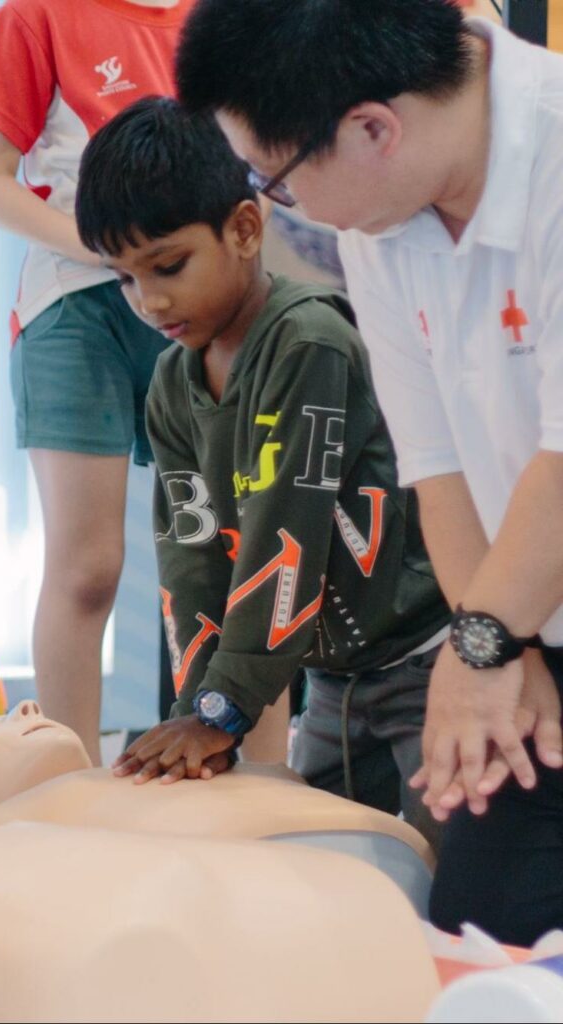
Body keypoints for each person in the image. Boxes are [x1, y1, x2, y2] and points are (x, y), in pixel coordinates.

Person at [176, 0, 563, 944]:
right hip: (527, 613)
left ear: (372, 128)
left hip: (512, 608)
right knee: (485, 924)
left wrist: (478, 652)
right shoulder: (382, 229)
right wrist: (507, 649)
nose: (277, 209)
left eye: (275, 181)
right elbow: (437, 467)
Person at [75, 99, 449, 845]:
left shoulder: (309, 341)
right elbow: (190, 561)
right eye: (124, 278)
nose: (149, 302)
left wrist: (224, 711)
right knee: (326, 870)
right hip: (333, 685)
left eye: (168, 265)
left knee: (452, 882)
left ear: (246, 228)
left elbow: (288, 536)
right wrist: (199, 707)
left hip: (425, 668)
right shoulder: (170, 387)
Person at [0, 0, 195, 762]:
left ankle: (259, 779)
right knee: (88, 568)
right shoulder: (38, 13)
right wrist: (105, 248)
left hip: (203, 304)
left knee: (229, 555)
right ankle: (71, 787)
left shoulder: (225, 20)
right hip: (73, 302)